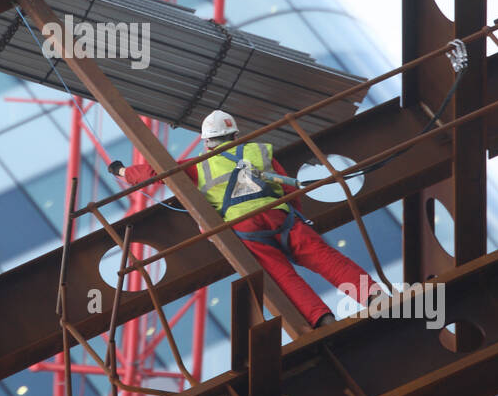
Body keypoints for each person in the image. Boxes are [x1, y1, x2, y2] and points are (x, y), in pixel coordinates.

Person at [108, 110, 383, 329]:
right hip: (280, 215)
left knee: (282, 276)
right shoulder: (259, 150)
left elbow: (155, 172)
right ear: (236, 134)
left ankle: (323, 321)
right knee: (326, 259)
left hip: (244, 227)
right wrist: (294, 217)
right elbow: (290, 190)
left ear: (206, 141)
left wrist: (121, 172)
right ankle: (374, 296)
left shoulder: (199, 166)